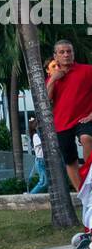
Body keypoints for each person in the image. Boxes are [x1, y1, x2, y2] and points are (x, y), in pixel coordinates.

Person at [46, 40, 92, 191]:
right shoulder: (51, 77)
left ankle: (89, 173)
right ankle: (83, 194)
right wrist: (53, 79)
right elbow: (46, 100)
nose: (66, 54)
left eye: (69, 51)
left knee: (87, 138)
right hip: (62, 123)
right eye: (62, 52)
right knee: (70, 160)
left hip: (84, 118)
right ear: (55, 56)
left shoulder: (87, 70)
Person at [27, 115, 47, 194]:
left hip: (42, 160)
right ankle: (31, 195)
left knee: (45, 181)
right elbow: (41, 144)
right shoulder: (35, 136)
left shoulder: (37, 135)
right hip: (40, 160)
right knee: (43, 182)